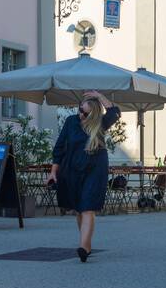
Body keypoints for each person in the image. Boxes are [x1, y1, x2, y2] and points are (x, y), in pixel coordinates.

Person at [50, 91, 121, 262]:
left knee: (88, 207)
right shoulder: (71, 122)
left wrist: (99, 96)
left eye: (85, 112)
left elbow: (115, 112)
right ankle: (86, 244)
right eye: (80, 110)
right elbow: (59, 147)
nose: (81, 114)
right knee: (79, 209)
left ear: (94, 113)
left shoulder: (101, 123)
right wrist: (53, 171)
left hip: (95, 170)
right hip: (72, 169)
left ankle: (83, 246)